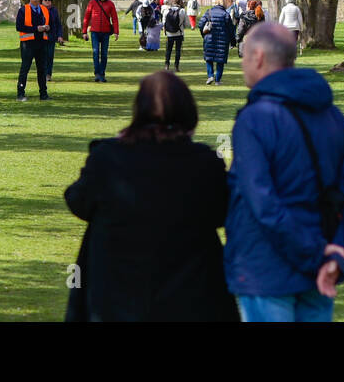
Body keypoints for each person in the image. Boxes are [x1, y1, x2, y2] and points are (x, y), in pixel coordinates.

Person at [225, 22, 344, 322]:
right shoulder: (332, 115)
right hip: (319, 265)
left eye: (244, 56)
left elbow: (262, 203)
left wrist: (320, 254)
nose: (242, 65)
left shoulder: (254, 120)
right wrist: (335, 256)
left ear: (260, 58)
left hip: (266, 268)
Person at [64, 71, 239, 322]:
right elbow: (223, 211)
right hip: (190, 294)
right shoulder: (203, 162)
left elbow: (78, 201)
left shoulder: (108, 158)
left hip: (118, 294)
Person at [16, 0, 52, 101]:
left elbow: (49, 24)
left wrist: (47, 28)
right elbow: (19, 27)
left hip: (41, 43)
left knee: (42, 69)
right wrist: (36, 28)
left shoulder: (44, 10)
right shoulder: (23, 10)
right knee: (25, 68)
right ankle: (20, 93)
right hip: (28, 43)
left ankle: (43, 94)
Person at [81, 0, 120, 82]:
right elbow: (86, 17)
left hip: (106, 32)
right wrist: (84, 31)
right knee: (95, 52)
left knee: (104, 54)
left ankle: (102, 73)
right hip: (94, 31)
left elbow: (114, 18)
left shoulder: (110, 4)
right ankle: (97, 73)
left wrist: (116, 31)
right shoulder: (92, 3)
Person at [198, 0, 235, 85]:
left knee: (209, 58)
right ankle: (217, 80)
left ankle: (210, 75)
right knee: (220, 60)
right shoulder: (225, 14)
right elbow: (231, 29)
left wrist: (204, 35)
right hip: (223, 40)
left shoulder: (209, 12)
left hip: (209, 39)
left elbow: (200, 24)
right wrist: (233, 41)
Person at [162, 0, 187, 71]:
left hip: (169, 33)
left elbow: (164, 22)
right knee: (178, 50)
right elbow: (187, 23)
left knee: (168, 50)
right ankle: (176, 66)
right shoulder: (182, 11)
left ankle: (167, 65)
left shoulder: (167, 11)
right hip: (179, 33)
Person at [42, 0, 63, 82]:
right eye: (46, 0)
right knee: (42, 56)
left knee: (50, 56)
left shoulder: (54, 11)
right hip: (41, 37)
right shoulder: (39, 10)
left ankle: (48, 74)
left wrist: (59, 35)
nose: (47, 1)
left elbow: (58, 24)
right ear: (42, 1)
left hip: (51, 37)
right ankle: (42, 74)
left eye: (49, 0)